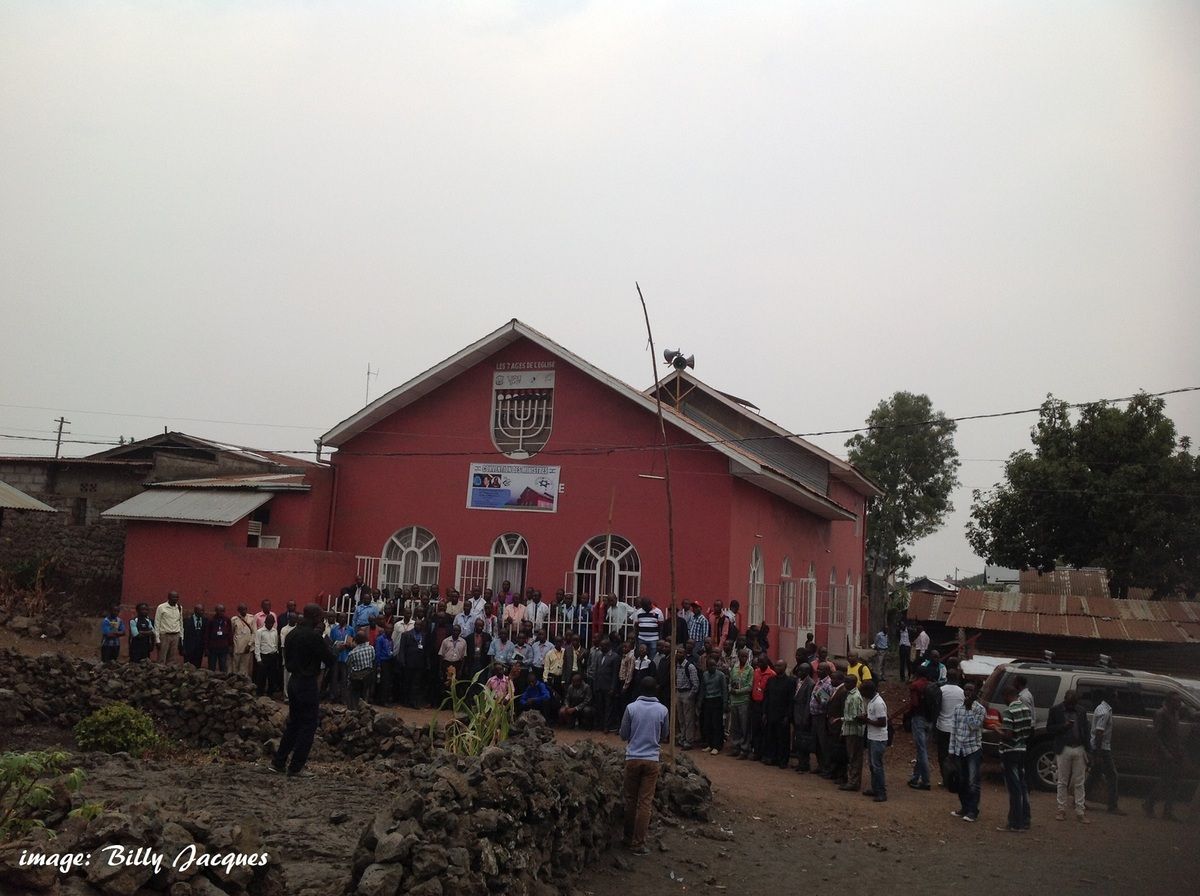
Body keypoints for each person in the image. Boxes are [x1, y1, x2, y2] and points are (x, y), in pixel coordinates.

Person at [271, 603, 337, 778]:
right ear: (315, 617)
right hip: (307, 683)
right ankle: (296, 767)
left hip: (293, 682)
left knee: (294, 723)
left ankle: (279, 761)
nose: (322, 619)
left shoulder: (292, 634)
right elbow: (329, 660)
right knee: (308, 725)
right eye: (321, 616)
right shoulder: (314, 637)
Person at [619, 677, 670, 856]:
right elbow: (665, 734)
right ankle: (638, 842)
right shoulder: (662, 710)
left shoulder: (631, 708)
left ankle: (627, 837)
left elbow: (623, 734)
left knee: (631, 799)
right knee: (645, 802)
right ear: (655, 689)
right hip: (651, 759)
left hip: (633, 757)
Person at [1144, 692, 1191, 821]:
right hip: (1166, 754)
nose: (1179, 703)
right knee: (1165, 782)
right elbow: (1157, 736)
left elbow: (1174, 734)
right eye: (1176, 701)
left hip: (1175, 753)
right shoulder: (1161, 714)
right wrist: (1166, 753)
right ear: (1169, 701)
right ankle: (1150, 803)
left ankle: (1167, 810)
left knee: (1174, 783)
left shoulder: (1175, 713)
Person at [1048, 689, 1091, 823]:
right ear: (1065, 701)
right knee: (1063, 780)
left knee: (1079, 781)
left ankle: (1079, 810)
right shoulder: (1056, 710)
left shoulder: (1081, 711)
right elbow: (1050, 729)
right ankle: (1062, 809)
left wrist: (1088, 749)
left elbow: (1085, 729)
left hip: (1078, 747)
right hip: (1064, 747)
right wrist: (1064, 726)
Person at [996, 682, 1032, 832]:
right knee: (1022, 786)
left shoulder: (1009, 711)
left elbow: (1008, 735)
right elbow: (1028, 730)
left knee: (1014, 788)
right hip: (1022, 748)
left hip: (1010, 751)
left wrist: (997, 730)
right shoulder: (1026, 709)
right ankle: (1025, 819)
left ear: (1007, 696)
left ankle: (1015, 822)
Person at [949, 682, 985, 822]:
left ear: (976, 692)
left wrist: (969, 710)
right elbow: (954, 730)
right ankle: (964, 807)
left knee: (972, 781)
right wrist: (951, 750)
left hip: (973, 750)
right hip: (959, 749)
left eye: (971, 690)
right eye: (966, 689)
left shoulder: (980, 709)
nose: (968, 692)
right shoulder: (957, 708)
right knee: (961, 781)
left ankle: (973, 810)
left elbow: (974, 727)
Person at [1084, 688, 1123, 815]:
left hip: (1099, 747)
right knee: (1112, 775)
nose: (1117, 700)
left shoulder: (1102, 709)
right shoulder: (1105, 712)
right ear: (1111, 697)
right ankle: (1112, 805)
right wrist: (1099, 753)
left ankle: (1080, 799)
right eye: (1116, 697)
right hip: (1102, 748)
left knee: (1095, 773)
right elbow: (1099, 732)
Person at [908, 666, 938, 790]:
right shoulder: (933, 686)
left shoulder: (915, 686)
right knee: (922, 749)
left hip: (918, 718)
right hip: (930, 720)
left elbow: (914, 703)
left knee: (922, 750)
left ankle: (925, 781)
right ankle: (915, 777)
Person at [935, 670, 965, 787]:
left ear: (947, 677)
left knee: (942, 755)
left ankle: (945, 779)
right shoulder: (962, 692)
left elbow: (937, 707)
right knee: (956, 755)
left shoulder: (942, 690)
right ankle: (956, 779)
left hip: (942, 726)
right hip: (957, 728)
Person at [763, 660, 794, 768]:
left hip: (783, 715)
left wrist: (788, 716)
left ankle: (783, 760)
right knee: (771, 737)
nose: (776, 667)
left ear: (785, 667)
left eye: (779, 665)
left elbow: (791, 701)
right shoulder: (771, 680)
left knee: (783, 739)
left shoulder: (790, 682)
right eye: (776, 665)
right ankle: (772, 757)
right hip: (771, 713)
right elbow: (766, 697)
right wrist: (765, 713)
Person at [862, 680, 889, 801]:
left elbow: (882, 722)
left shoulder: (878, 703)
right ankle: (875, 788)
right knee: (872, 765)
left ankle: (881, 792)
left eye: (863, 692)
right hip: (872, 736)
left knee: (877, 765)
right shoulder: (872, 701)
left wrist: (866, 720)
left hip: (878, 739)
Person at [839, 674, 865, 792]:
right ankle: (851, 781)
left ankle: (853, 782)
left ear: (854, 683)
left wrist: (841, 719)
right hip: (849, 730)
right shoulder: (850, 694)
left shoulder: (855, 697)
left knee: (854, 757)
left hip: (854, 731)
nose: (845, 684)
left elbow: (855, 717)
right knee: (851, 756)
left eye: (848, 682)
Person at [699, 654, 729, 755]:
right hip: (708, 701)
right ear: (707, 666)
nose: (713, 667)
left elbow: (724, 690)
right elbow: (702, 689)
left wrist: (725, 703)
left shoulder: (720, 675)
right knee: (708, 724)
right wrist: (700, 702)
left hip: (717, 701)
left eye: (714, 665)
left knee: (717, 724)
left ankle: (717, 746)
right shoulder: (705, 675)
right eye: (711, 666)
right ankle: (710, 744)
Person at [807, 663, 833, 774]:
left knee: (823, 742)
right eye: (818, 669)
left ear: (827, 671)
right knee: (816, 742)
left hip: (821, 716)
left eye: (821, 669)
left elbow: (825, 702)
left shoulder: (828, 683)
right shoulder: (818, 681)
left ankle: (826, 767)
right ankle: (820, 765)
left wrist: (818, 698)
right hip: (814, 715)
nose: (818, 671)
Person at [728, 648, 754, 758]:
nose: (744, 658)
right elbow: (730, 681)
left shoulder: (750, 669)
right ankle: (735, 747)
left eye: (746, 656)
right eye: (742, 656)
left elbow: (750, 686)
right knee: (735, 726)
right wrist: (730, 689)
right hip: (734, 701)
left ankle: (744, 749)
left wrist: (738, 691)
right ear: (738, 656)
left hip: (744, 701)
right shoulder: (734, 667)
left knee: (744, 726)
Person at [674, 647, 700, 750]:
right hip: (679, 693)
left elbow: (696, 684)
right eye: (677, 653)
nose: (678, 654)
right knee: (681, 718)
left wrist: (690, 696)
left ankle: (689, 741)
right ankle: (683, 738)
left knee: (689, 719)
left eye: (680, 653)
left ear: (685, 654)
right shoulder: (677, 665)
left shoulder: (690, 667)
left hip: (687, 693)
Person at [792, 664, 816, 773]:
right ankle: (800, 762)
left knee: (804, 741)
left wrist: (806, 718)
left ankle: (805, 764)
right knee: (798, 740)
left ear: (806, 672)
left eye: (801, 671)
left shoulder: (810, 683)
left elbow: (808, 702)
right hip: (796, 714)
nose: (798, 673)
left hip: (803, 716)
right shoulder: (798, 681)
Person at [398, 621, 428, 708]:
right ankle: (405, 701)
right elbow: (402, 649)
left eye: (420, 625)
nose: (418, 626)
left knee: (416, 683)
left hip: (419, 664)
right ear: (414, 625)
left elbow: (425, 649)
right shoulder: (406, 634)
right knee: (407, 682)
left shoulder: (424, 635)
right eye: (417, 625)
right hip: (408, 662)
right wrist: (402, 661)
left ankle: (414, 702)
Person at [253, 613, 283, 697]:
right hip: (264, 656)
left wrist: (276, 652)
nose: (270, 625)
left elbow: (276, 643)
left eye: (272, 623)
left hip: (273, 656)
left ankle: (270, 694)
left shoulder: (275, 631)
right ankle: (260, 694)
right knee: (261, 677)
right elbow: (257, 645)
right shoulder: (259, 632)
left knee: (272, 677)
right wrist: (258, 658)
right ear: (265, 622)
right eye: (269, 623)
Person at [346, 632, 376, 710]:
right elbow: (373, 659)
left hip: (356, 677)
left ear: (355, 641)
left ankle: (352, 708)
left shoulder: (352, 653)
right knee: (366, 691)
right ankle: (365, 708)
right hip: (368, 675)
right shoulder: (371, 648)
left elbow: (348, 664)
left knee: (353, 692)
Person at [154, 592, 183, 663]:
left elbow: (181, 623)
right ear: (169, 597)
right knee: (162, 658)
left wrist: (181, 637)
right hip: (164, 636)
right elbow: (157, 623)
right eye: (173, 597)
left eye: (177, 597)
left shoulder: (179, 607)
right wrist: (157, 639)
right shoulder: (161, 607)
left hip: (175, 635)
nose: (175, 599)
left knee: (172, 659)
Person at [231, 605, 256, 678]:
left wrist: (249, 644)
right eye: (242, 609)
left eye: (245, 609)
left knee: (245, 667)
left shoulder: (251, 618)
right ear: (238, 610)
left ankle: (244, 684)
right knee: (235, 666)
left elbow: (254, 633)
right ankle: (234, 682)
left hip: (247, 647)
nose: (244, 611)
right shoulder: (234, 619)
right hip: (237, 646)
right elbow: (232, 633)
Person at [373, 626, 395, 704]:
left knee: (387, 682)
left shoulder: (391, 640)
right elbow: (378, 652)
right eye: (388, 628)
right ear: (385, 629)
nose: (389, 630)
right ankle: (381, 700)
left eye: (391, 629)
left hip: (389, 662)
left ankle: (385, 699)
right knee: (382, 682)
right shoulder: (380, 639)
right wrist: (378, 664)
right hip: (382, 662)